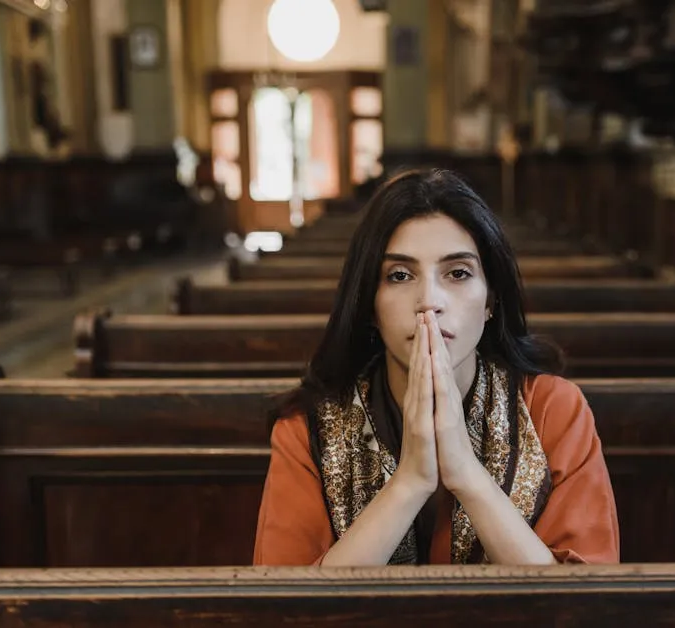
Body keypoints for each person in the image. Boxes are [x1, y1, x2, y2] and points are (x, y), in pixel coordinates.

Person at [253, 168, 619, 566]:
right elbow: (288, 605)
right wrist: (410, 483)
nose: (429, 300)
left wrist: (466, 474)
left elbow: (581, 602)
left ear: (490, 300)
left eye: (458, 273)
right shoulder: (306, 427)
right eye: (400, 276)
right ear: (369, 306)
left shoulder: (553, 409)